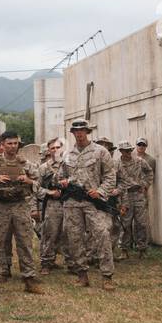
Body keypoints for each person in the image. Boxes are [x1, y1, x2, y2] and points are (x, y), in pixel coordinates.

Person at [60, 119, 117, 289]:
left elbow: (110, 176)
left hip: (93, 202)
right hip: (72, 202)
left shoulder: (100, 152)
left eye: (82, 130)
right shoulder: (67, 154)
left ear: (87, 131)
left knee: (102, 234)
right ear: (72, 133)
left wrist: (100, 191)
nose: (79, 133)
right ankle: (82, 274)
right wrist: (62, 182)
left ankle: (107, 276)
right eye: (76, 130)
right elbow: (59, 176)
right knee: (74, 237)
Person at [0, 132, 45, 294]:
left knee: (25, 243)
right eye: (9, 143)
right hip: (0, 207)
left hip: (21, 206)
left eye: (15, 143)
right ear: (2, 145)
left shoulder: (26, 163)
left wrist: (28, 181)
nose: (13, 146)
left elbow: (39, 184)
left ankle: (29, 279)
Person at [115, 140, 152, 258]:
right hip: (125, 196)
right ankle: (124, 250)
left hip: (138, 195)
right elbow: (112, 180)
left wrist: (145, 185)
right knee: (125, 224)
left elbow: (149, 172)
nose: (128, 152)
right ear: (120, 151)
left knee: (141, 223)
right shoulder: (116, 164)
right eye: (125, 150)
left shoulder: (139, 161)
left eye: (129, 150)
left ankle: (142, 249)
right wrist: (117, 192)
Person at [38, 138, 67, 274]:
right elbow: (35, 187)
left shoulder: (69, 165)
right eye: (52, 148)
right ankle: (47, 262)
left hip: (69, 203)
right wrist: (50, 192)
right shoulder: (44, 168)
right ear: (49, 151)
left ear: (62, 148)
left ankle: (73, 262)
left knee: (70, 233)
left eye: (58, 147)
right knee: (50, 233)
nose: (55, 150)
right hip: (52, 204)